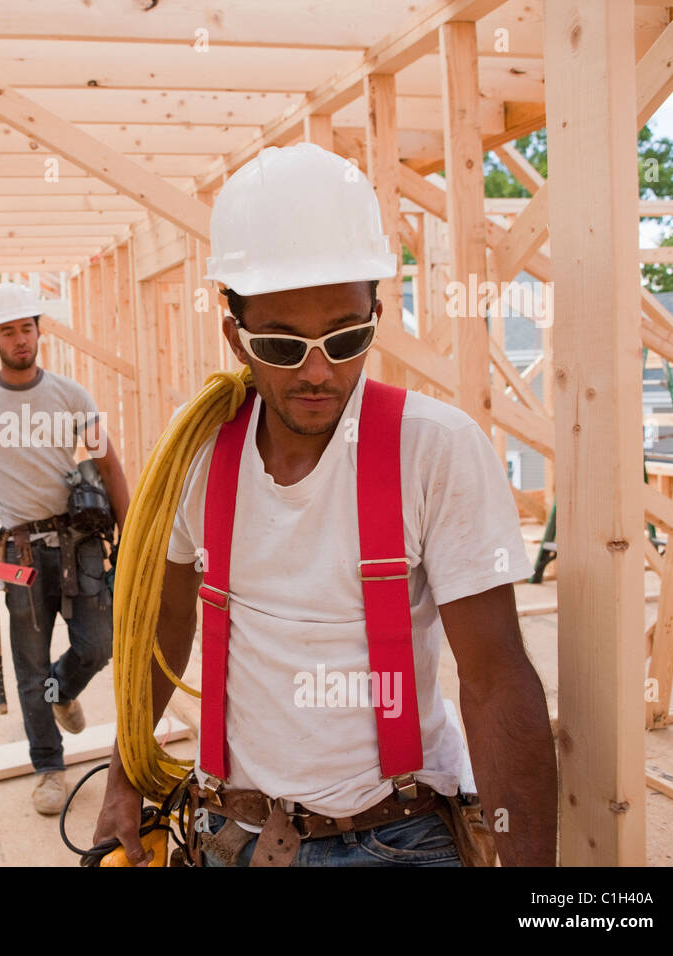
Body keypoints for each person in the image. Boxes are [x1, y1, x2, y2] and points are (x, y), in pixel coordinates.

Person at [93, 143, 557, 866]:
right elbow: (167, 625)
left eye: (347, 338)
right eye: (283, 346)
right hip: (237, 833)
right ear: (235, 337)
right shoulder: (199, 453)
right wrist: (124, 777)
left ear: (377, 315)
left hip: (399, 835)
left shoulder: (433, 449)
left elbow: (496, 680)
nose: (319, 372)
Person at [0, 283, 131, 815]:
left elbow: (109, 465)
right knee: (29, 667)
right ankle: (48, 768)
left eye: (27, 328)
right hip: (19, 552)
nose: (20, 339)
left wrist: (131, 532)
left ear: (38, 331)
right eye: (8, 332)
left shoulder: (71, 395)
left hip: (79, 542)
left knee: (98, 645)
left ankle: (62, 690)